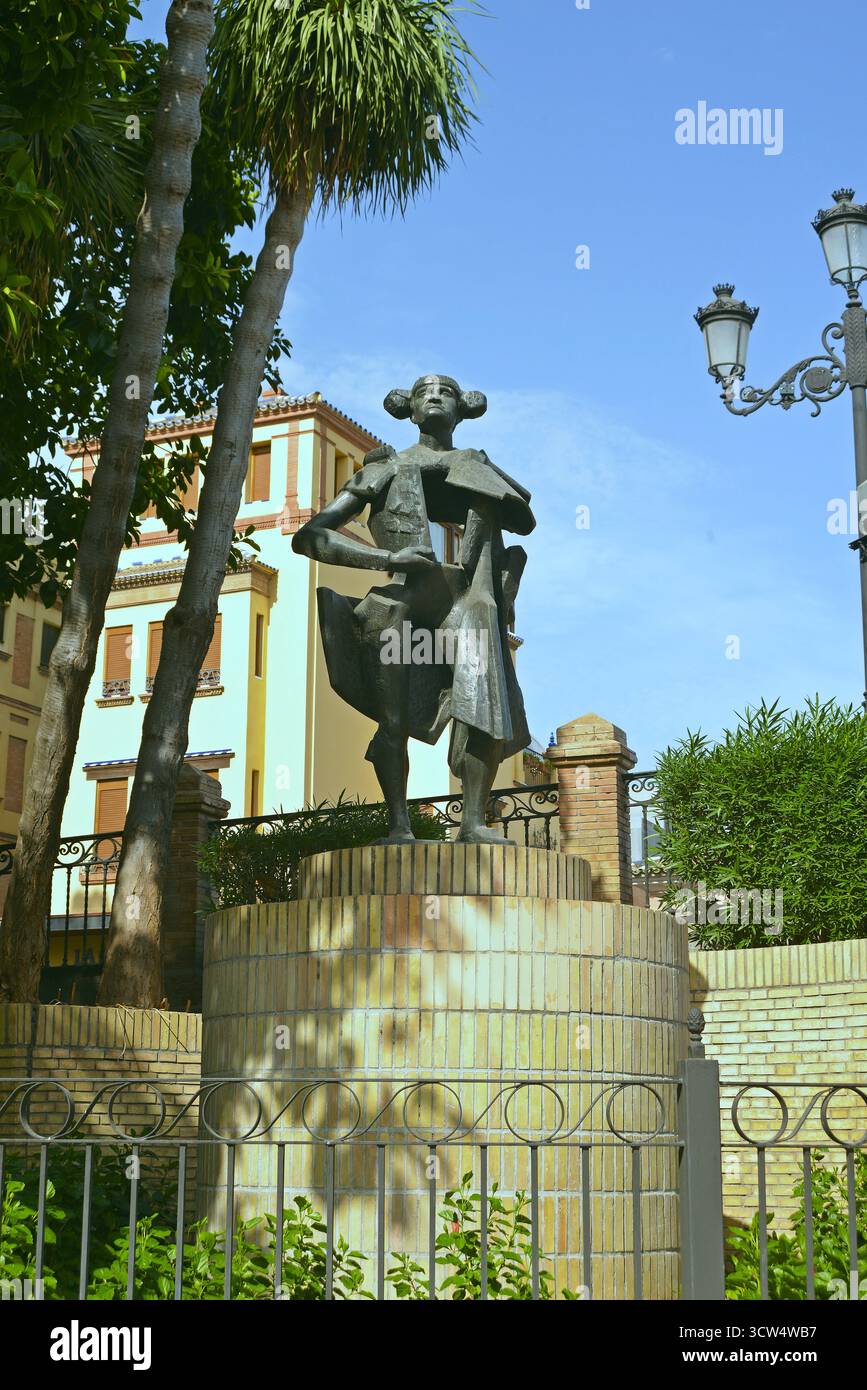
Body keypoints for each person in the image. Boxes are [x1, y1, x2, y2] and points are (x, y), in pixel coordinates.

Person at [292, 374, 535, 843]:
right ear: (408, 408)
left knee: (482, 707)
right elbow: (311, 537)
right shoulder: (385, 469)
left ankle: (473, 823)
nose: (435, 396)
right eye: (424, 392)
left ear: (464, 408)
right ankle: (399, 825)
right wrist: (385, 559)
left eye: (445, 391)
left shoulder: (479, 469)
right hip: (404, 599)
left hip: (469, 600)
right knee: (393, 718)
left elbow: (522, 520)